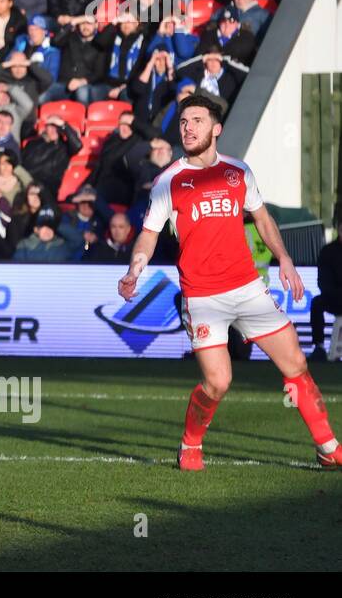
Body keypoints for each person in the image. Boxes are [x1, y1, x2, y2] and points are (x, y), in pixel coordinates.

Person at [118, 93, 342, 470]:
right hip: (203, 295)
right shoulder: (168, 181)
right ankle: (191, 443)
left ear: (216, 128)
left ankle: (328, 446)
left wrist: (284, 258)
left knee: (296, 364)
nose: (188, 128)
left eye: (197, 121)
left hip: (248, 287)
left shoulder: (239, 172)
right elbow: (149, 234)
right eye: (184, 122)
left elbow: (263, 218)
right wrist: (135, 268)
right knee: (218, 382)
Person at [312, 229, 341, 360]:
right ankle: (319, 347)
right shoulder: (328, 251)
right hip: (333, 298)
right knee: (316, 303)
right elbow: (323, 280)